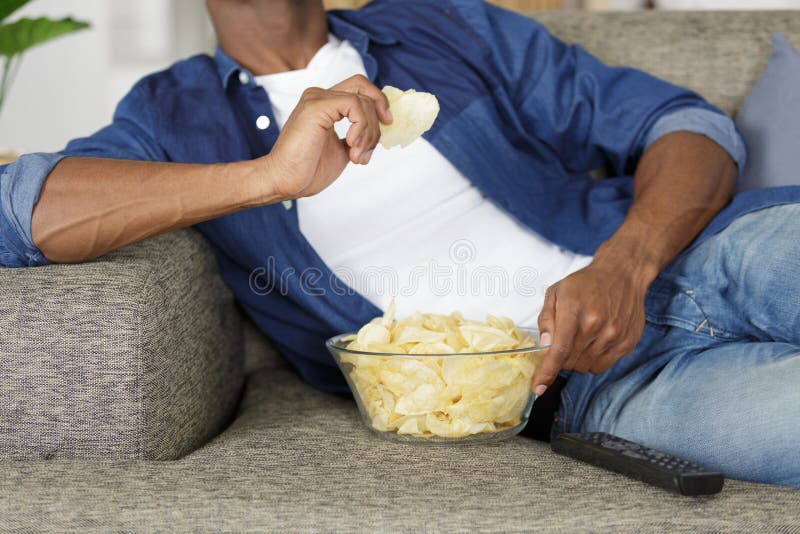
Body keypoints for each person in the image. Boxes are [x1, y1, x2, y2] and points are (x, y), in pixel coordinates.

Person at [1, 0, 797, 486]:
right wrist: (267, 176)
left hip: (714, 257)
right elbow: (16, 211)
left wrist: (625, 264)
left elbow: (684, 123)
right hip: (596, 392)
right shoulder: (170, 116)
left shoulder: (444, 26)